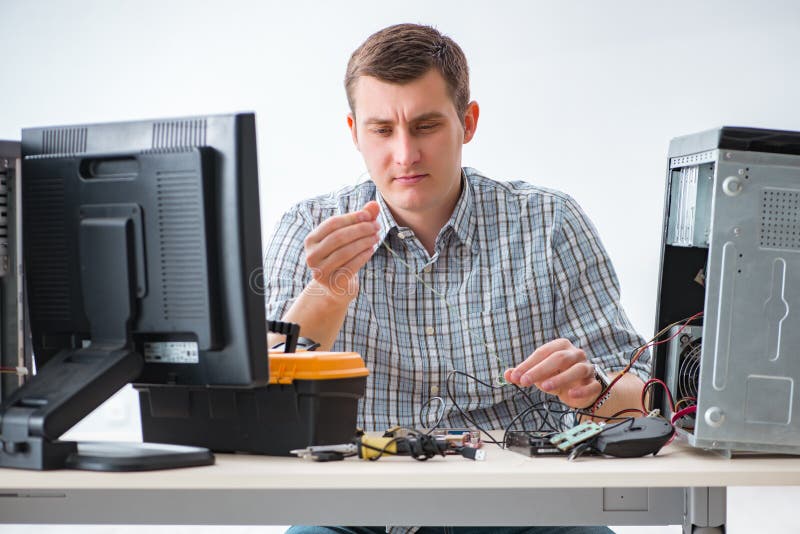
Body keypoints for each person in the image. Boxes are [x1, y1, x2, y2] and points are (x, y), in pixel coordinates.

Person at [264, 23, 649, 534]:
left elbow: (644, 399)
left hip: (528, 514)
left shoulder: (550, 223)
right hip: (356, 514)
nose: (405, 155)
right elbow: (265, 408)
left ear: (467, 122)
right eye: (382, 130)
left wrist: (594, 390)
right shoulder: (309, 229)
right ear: (354, 131)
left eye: (425, 126)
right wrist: (328, 292)